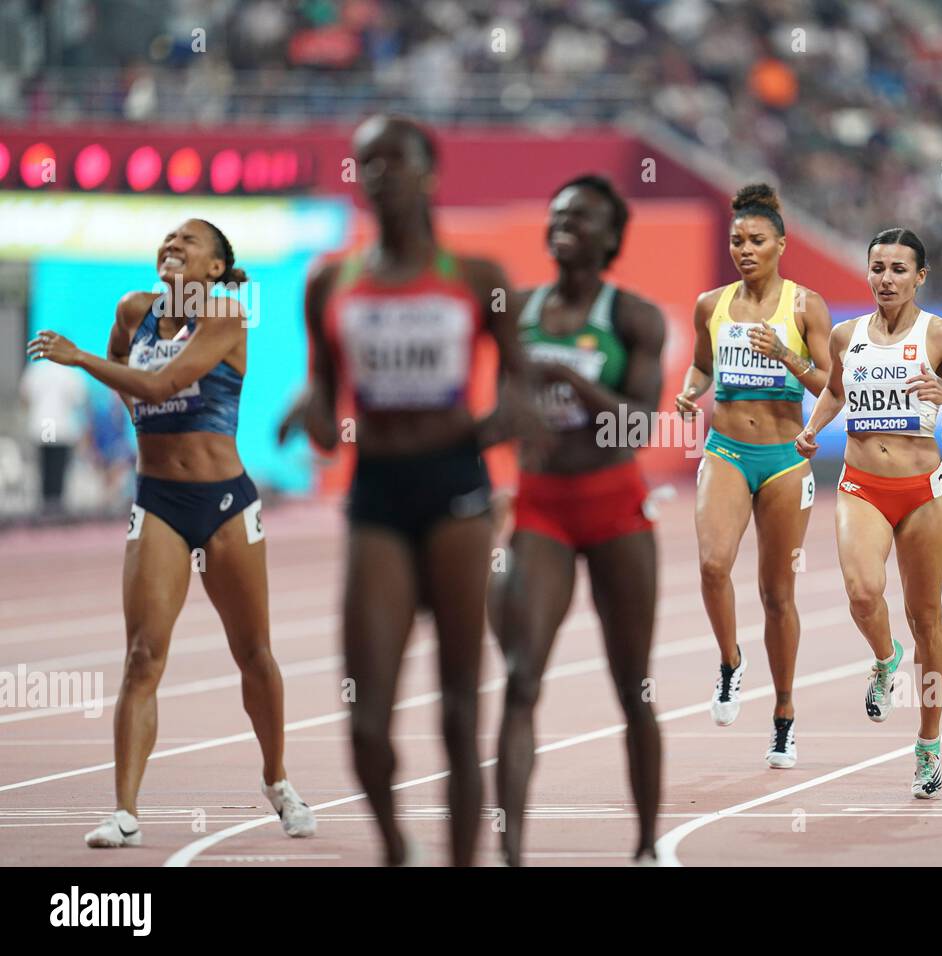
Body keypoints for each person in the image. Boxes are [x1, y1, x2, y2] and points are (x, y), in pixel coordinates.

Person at [27, 218, 316, 847]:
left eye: (189, 241)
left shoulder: (227, 316)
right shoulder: (133, 311)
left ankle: (278, 780)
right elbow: (128, 384)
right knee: (141, 656)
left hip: (225, 502)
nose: (173, 246)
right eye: (168, 239)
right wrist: (146, 430)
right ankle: (125, 811)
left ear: (214, 269)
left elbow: (159, 382)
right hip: (157, 499)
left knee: (253, 653)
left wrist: (81, 359)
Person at [291, 114, 532, 866]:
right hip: (379, 496)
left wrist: (502, 420)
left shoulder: (479, 280)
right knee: (366, 719)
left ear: (430, 174)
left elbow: (519, 382)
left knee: (460, 712)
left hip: (457, 491)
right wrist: (312, 416)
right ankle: (398, 846)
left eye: (395, 161)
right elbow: (327, 409)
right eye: (366, 164)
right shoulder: (332, 282)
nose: (379, 175)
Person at [491, 175, 666, 865]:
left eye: (583, 217)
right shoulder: (519, 312)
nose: (565, 224)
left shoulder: (634, 317)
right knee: (519, 678)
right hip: (541, 507)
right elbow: (505, 415)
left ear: (612, 238)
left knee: (634, 686)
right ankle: (508, 852)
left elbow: (639, 421)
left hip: (616, 506)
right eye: (558, 213)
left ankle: (648, 845)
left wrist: (573, 382)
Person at [796, 227, 942, 798]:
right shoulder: (845, 335)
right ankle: (885, 660)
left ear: (920, 277)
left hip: (921, 492)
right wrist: (813, 430)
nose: (886, 279)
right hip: (861, 485)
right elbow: (834, 391)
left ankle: (929, 742)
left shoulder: (941, 336)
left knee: (927, 618)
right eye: (878, 268)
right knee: (863, 592)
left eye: (898, 270)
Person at [675, 183, 833, 769]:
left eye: (756, 240)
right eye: (737, 239)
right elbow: (700, 364)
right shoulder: (710, 304)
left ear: (780, 245)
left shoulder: (804, 307)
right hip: (727, 451)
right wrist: (691, 393)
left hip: (785, 459)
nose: (744, 248)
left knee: (776, 594)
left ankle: (785, 714)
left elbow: (830, 385)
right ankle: (729, 661)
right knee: (713, 563)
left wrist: (786, 356)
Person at [19, 356, 88, 514]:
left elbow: (25, 396)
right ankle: (55, 511)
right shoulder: (70, 371)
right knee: (59, 470)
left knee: (45, 468)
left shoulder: (37, 369)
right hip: (61, 425)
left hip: (44, 423)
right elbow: (79, 399)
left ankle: (45, 509)